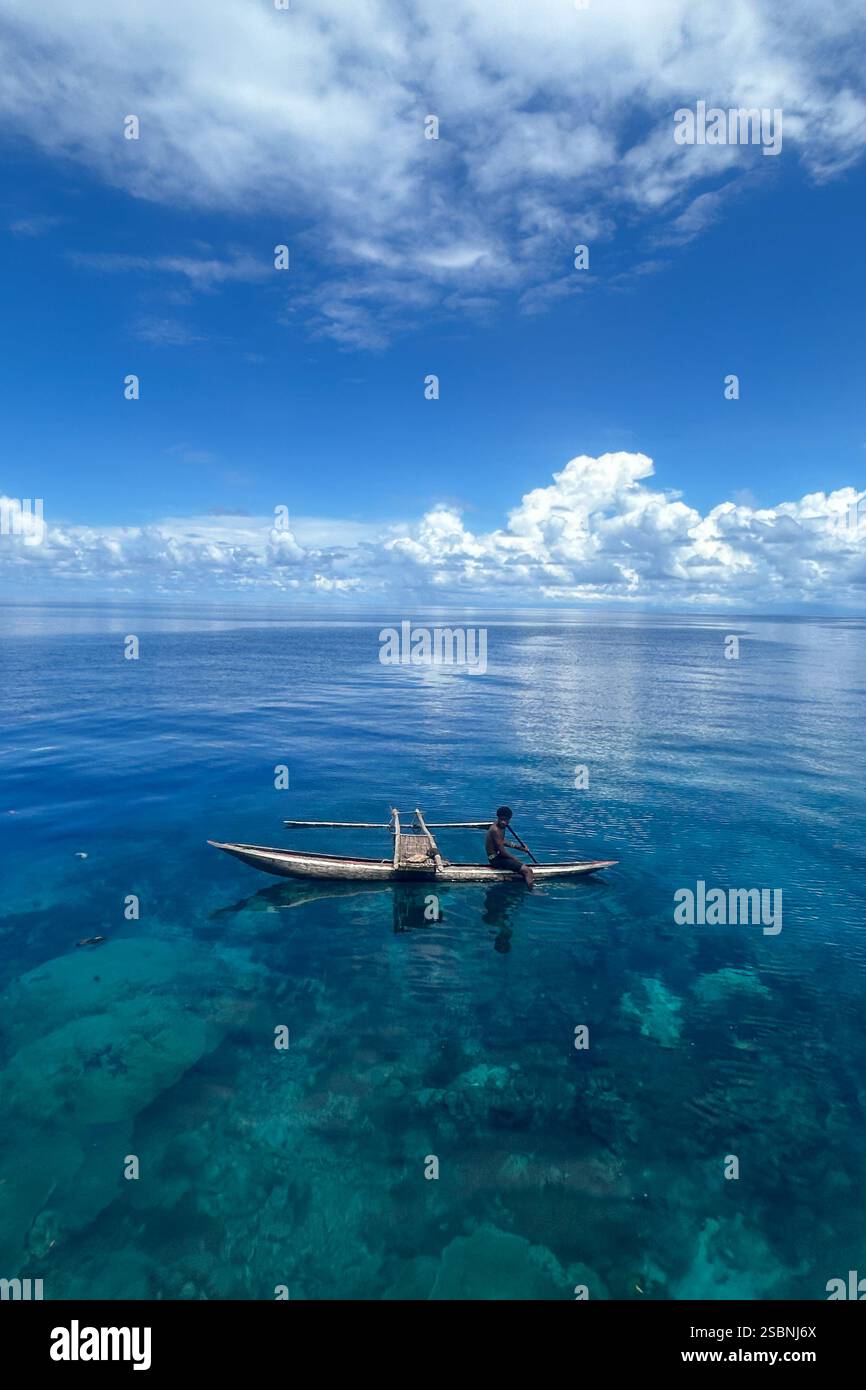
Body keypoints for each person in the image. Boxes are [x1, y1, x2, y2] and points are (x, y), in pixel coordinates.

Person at [485, 806, 534, 887]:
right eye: (501, 819)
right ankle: (532, 890)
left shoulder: (502, 826)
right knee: (528, 871)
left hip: (499, 856)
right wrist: (516, 859)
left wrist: (519, 848)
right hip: (495, 859)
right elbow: (502, 852)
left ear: (509, 819)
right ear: (498, 818)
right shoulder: (495, 830)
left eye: (506, 820)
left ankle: (508, 878)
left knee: (521, 870)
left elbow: (502, 841)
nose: (503, 822)